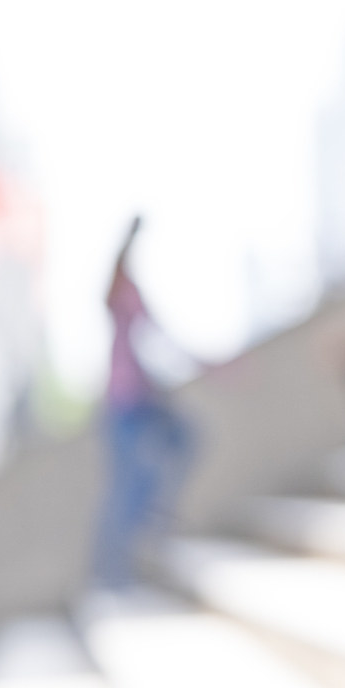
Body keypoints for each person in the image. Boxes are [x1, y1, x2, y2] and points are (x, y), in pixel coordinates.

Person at [91, 218, 192, 587]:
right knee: (127, 485)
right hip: (123, 401)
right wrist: (128, 236)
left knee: (187, 438)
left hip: (146, 396)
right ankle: (112, 573)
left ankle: (157, 514)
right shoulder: (118, 293)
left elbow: (160, 333)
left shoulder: (134, 292)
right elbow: (113, 279)